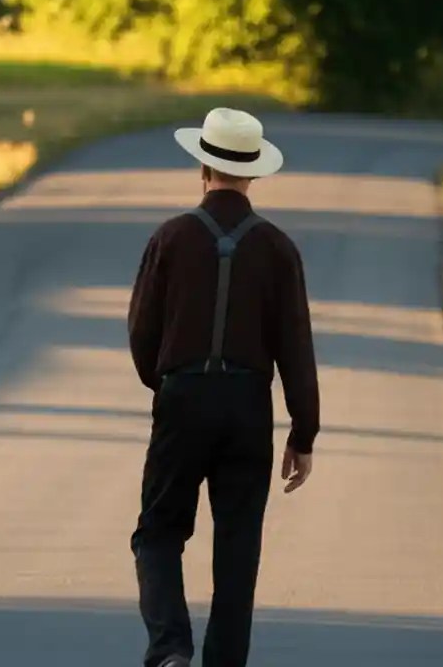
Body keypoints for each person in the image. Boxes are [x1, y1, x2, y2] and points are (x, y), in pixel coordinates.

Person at [127, 107, 321, 667]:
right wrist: (302, 433)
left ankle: (170, 650)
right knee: (238, 549)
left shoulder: (170, 237)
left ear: (203, 167)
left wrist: (165, 383)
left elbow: (142, 333)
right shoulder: (278, 248)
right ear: (253, 173)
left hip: (183, 395)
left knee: (159, 531)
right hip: (247, 407)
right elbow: (296, 347)